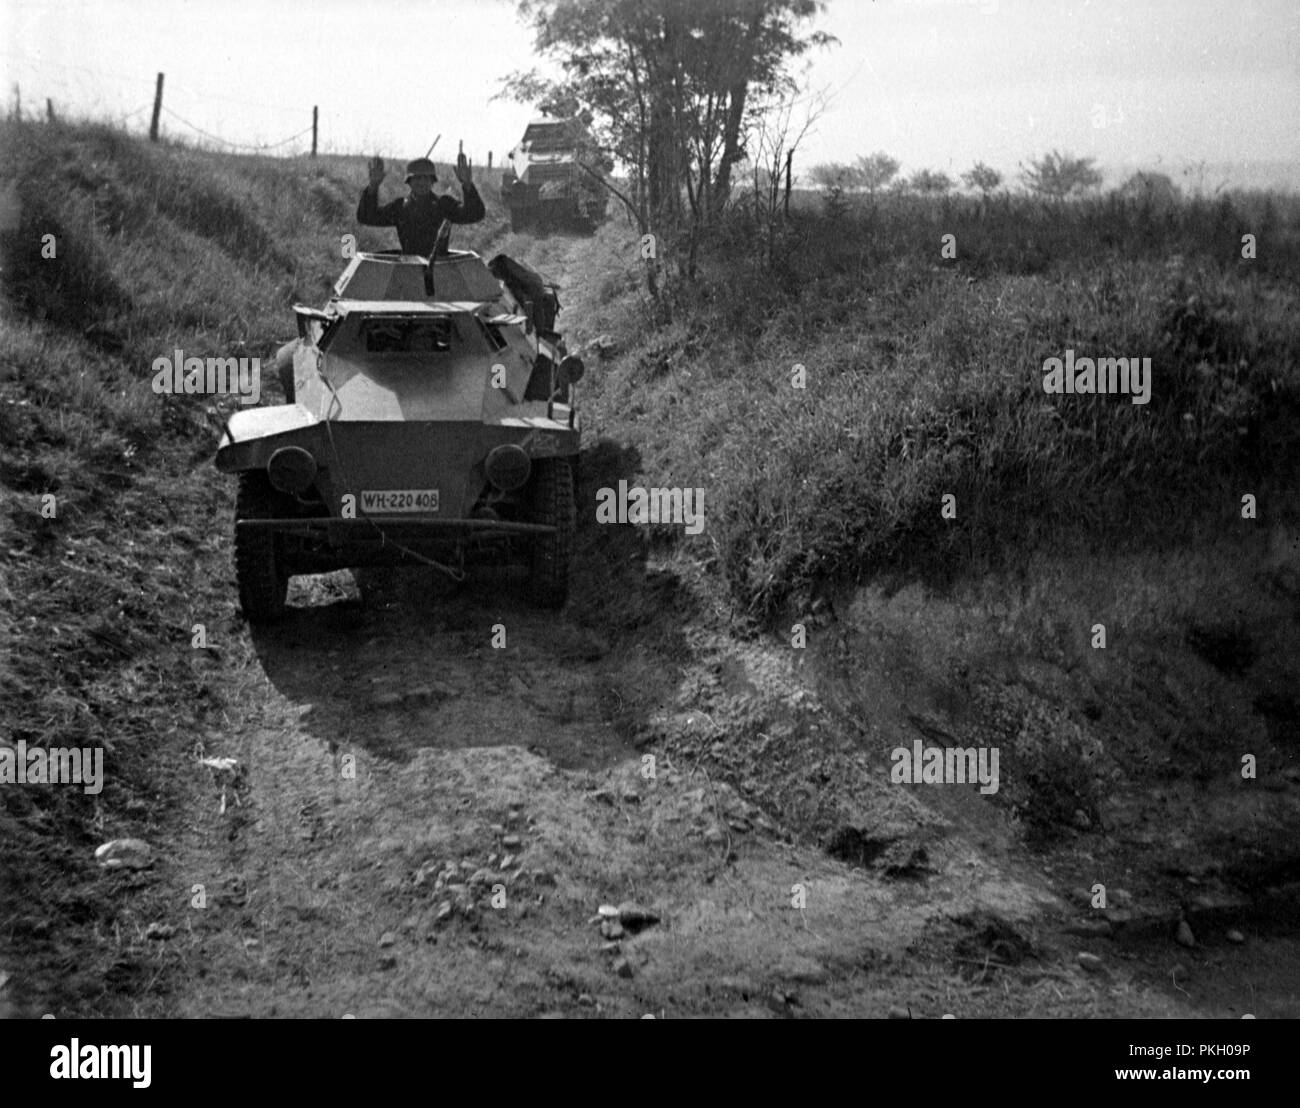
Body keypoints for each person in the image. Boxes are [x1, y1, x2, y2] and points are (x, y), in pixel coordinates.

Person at [356, 152, 484, 256]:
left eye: (425, 178)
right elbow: (367, 217)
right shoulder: (400, 207)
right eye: (417, 178)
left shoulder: (444, 205)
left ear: (432, 181)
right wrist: (373, 186)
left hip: (440, 272)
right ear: (409, 182)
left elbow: (474, 214)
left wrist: (467, 185)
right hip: (409, 273)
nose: (421, 182)